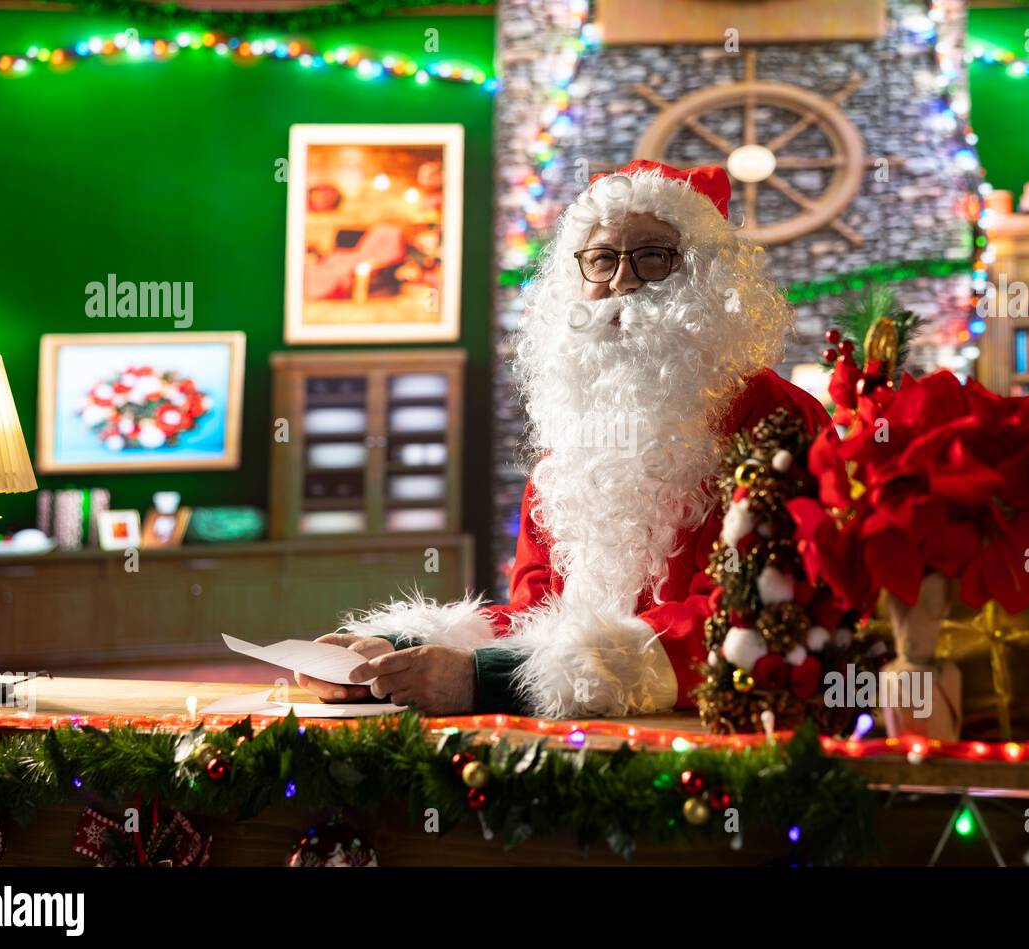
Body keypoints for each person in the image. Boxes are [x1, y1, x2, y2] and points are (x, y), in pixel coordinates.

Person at [294, 159, 830, 718]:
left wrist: (490, 681)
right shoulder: (573, 439)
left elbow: (758, 621)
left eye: (652, 257)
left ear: (704, 277)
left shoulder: (778, 419)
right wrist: (397, 658)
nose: (622, 281)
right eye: (602, 259)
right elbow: (538, 615)